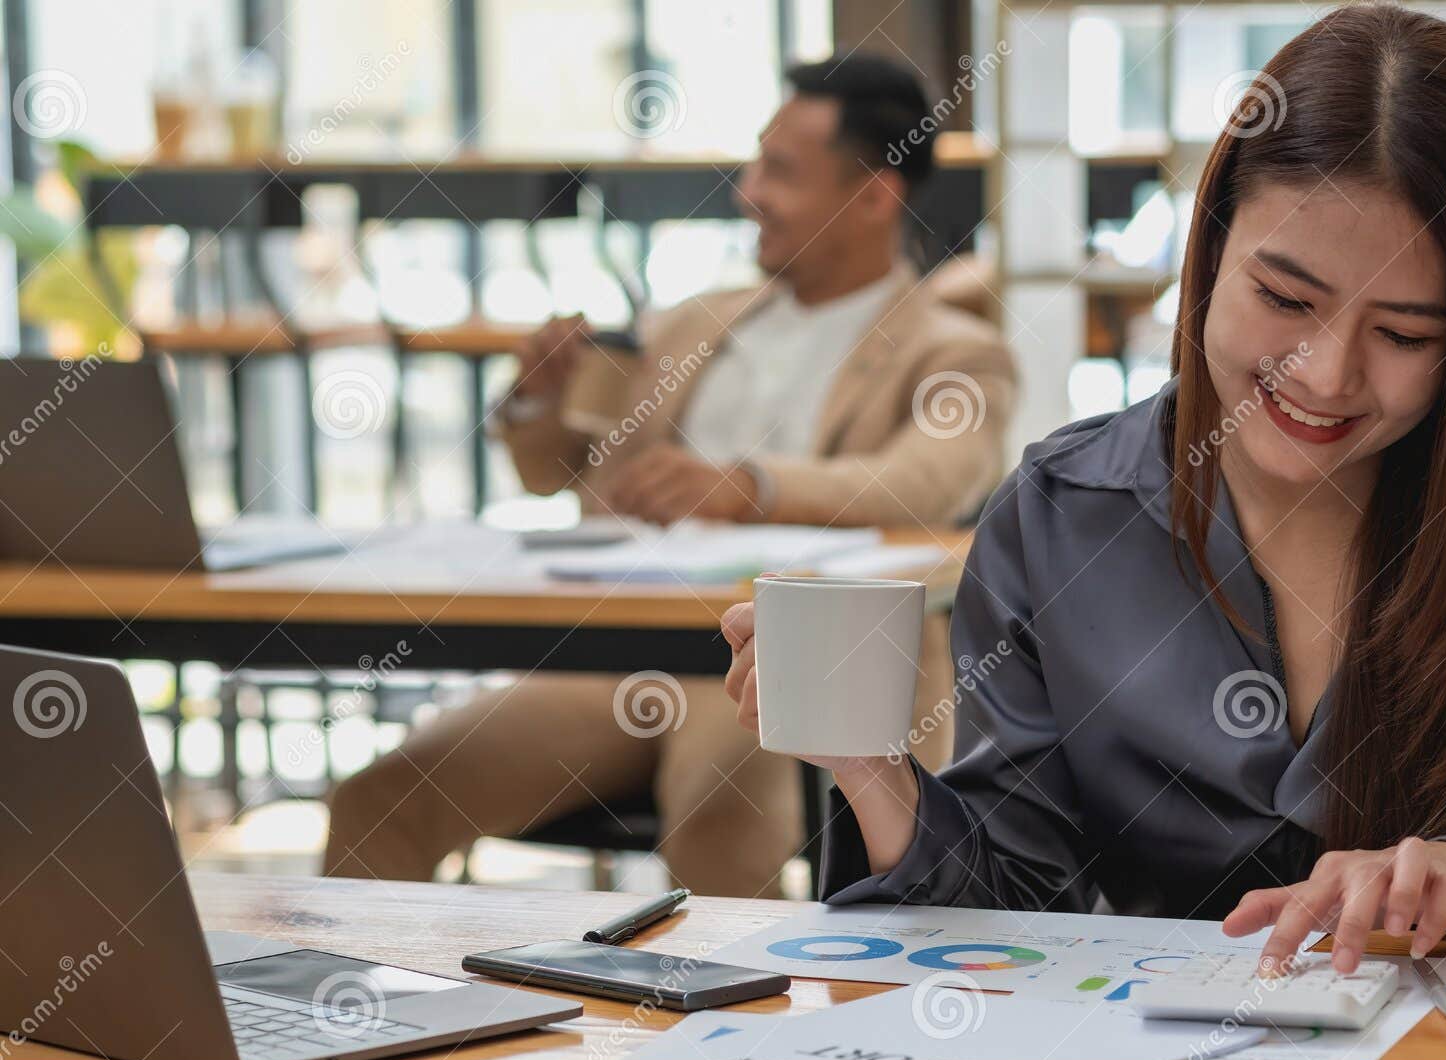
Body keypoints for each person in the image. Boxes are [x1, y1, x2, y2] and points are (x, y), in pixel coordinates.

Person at [723, 4, 1446, 969]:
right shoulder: (1062, 513)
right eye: (1283, 299)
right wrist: (868, 765)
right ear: (1210, 252)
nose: (1325, 373)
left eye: (1405, 334)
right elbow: (1010, 904)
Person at [323, 55, 1016, 897]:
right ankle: (350, 1021)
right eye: (756, 163)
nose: (747, 190)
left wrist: (747, 486)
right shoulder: (694, 322)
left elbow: (922, 485)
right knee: (380, 797)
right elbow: (566, 476)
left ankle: (747, 1032)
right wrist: (535, 405)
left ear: (874, 195)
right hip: (620, 649)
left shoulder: (956, 350)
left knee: (720, 826)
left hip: (778, 663)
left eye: (781, 172)